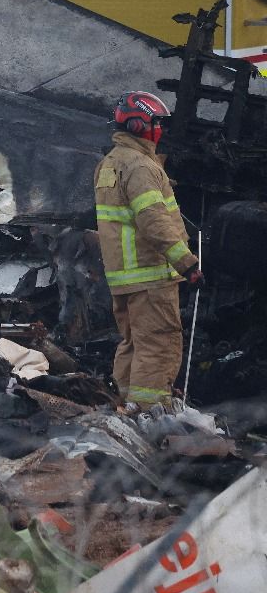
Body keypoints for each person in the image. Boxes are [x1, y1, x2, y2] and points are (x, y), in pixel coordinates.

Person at [95, 91, 202, 410]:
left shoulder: (110, 163)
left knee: (133, 344)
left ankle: (126, 406)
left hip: (124, 277)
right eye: (156, 122)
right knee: (158, 343)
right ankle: (151, 415)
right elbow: (154, 221)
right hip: (151, 274)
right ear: (139, 123)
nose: (160, 129)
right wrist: (187, 263)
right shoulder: (141, 166)